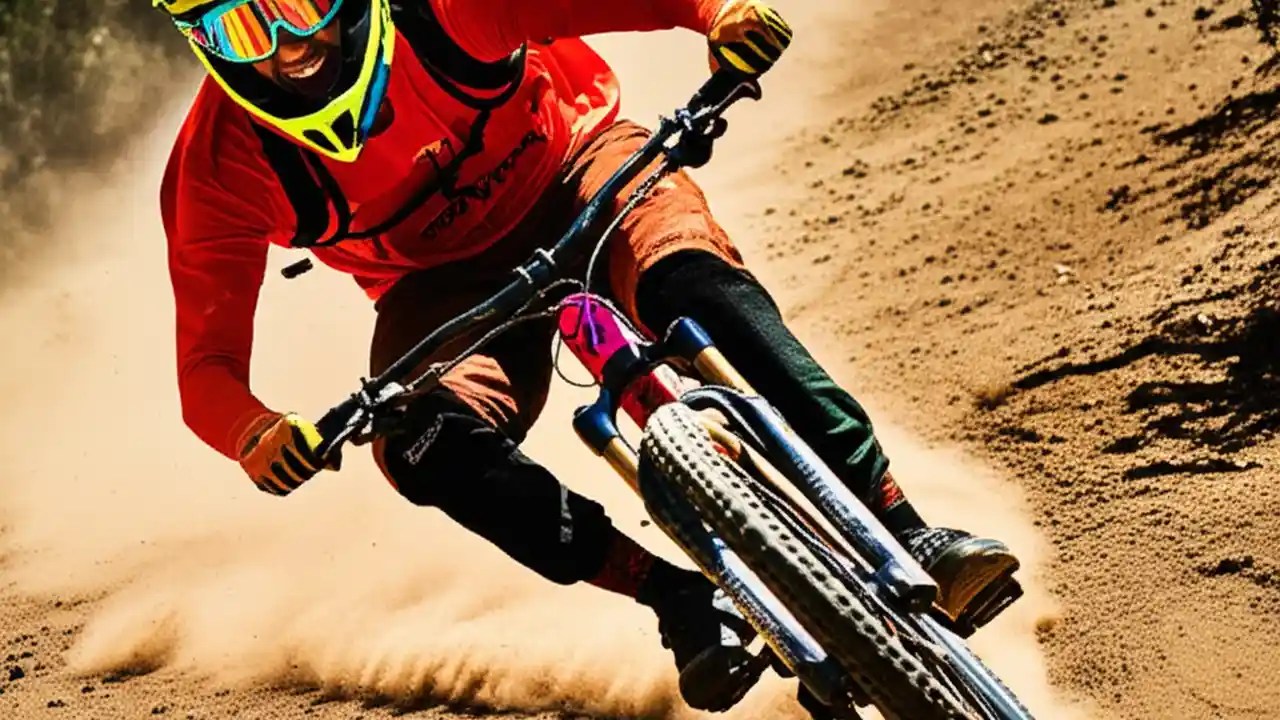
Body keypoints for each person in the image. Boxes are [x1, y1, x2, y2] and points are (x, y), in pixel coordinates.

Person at [155, 0, 1020, 711]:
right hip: (444, 287)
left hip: (583, 167)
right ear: (202, 44)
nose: (284, 48)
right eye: (238, 30)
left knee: (695, 288)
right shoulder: (219, 169)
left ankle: (910, 529)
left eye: (292, 5)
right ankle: (677, 596)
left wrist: (721, 15)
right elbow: (206, 370)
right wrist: (255, 432)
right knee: (422, 448)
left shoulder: (445, 14)